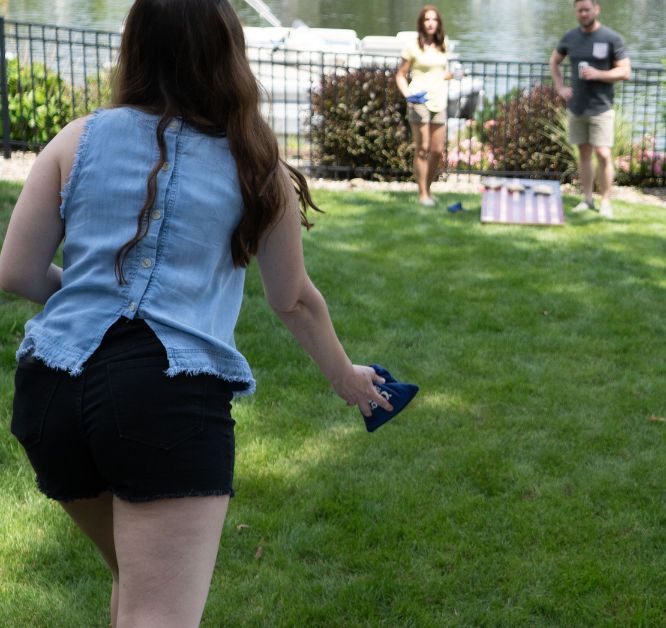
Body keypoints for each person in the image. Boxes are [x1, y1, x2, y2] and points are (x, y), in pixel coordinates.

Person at [0, 0, 393, 624]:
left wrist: (94, 298)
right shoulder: (255, 165)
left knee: (138, 587)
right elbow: (292, 298)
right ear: (228, 55)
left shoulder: (76, 138)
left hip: (51, 393)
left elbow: (16, 272)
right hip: (165, 401)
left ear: (135, 48)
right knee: (158, 610)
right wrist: (346, 377)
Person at [549, 0, 630, 219]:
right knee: (583, 154)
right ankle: (586, 199)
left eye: (587, 9)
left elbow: (625, 71)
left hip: (601, 108)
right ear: (576, 12)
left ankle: (605, 201)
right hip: (577, 107)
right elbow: (554, 62)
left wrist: (599, 74)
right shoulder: (570, 37)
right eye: (580, 10)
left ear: (596, 9)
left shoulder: (611, 38)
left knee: (603, 154)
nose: (584, 14)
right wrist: (560, 87)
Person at [396, 5, 451, 207]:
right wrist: (408, 95)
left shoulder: (444, 44)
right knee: (423, 148)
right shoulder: (413, 47)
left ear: (438, 23)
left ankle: (427, 189)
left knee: (437, 150)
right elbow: (400, 75)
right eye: (427, 19)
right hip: (419, 102)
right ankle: (422, 195)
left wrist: (452, 75)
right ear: (421, 23)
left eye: (434, 19)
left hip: (439, 101)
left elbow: (442, 72)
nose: (430, 23)